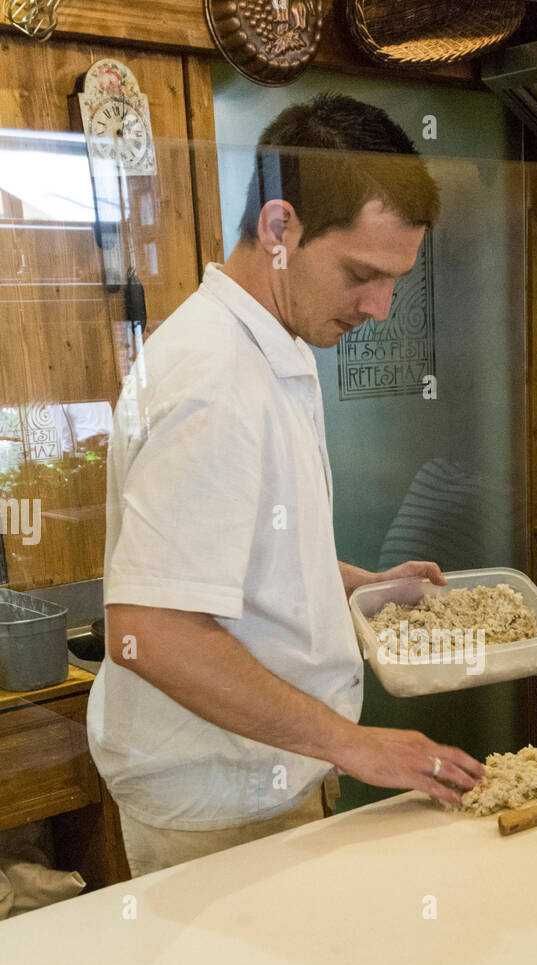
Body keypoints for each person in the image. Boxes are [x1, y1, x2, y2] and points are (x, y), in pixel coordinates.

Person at [86, 92, 485, 878]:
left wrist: (355, 587)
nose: (379, 307)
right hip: (221, 803)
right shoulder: (216, 380)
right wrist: (356, 744)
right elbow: (152, 629)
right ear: (279, 228)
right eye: (362, 274)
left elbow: (236, 561)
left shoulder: (269, 348)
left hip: (269, 777)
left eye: (395, 279)